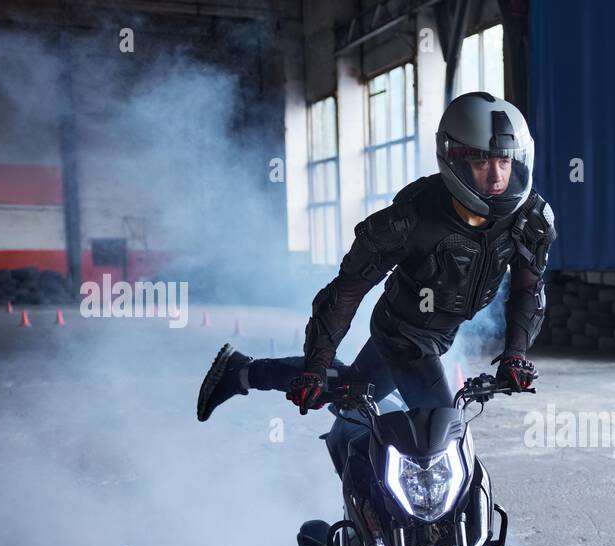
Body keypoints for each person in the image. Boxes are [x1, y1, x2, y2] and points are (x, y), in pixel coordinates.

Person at [196, 90, 556, 425]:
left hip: (443, 331)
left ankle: (241, 371)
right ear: (455, 158)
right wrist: (315, 366)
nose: (497, 176)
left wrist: (515, 353)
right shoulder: (408, 220)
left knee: (348, 391)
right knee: (444, 425)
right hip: (403, 334)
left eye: (504, 161)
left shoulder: (529, 218)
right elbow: (347, 290)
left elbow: (529, 287)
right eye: (482, 161)